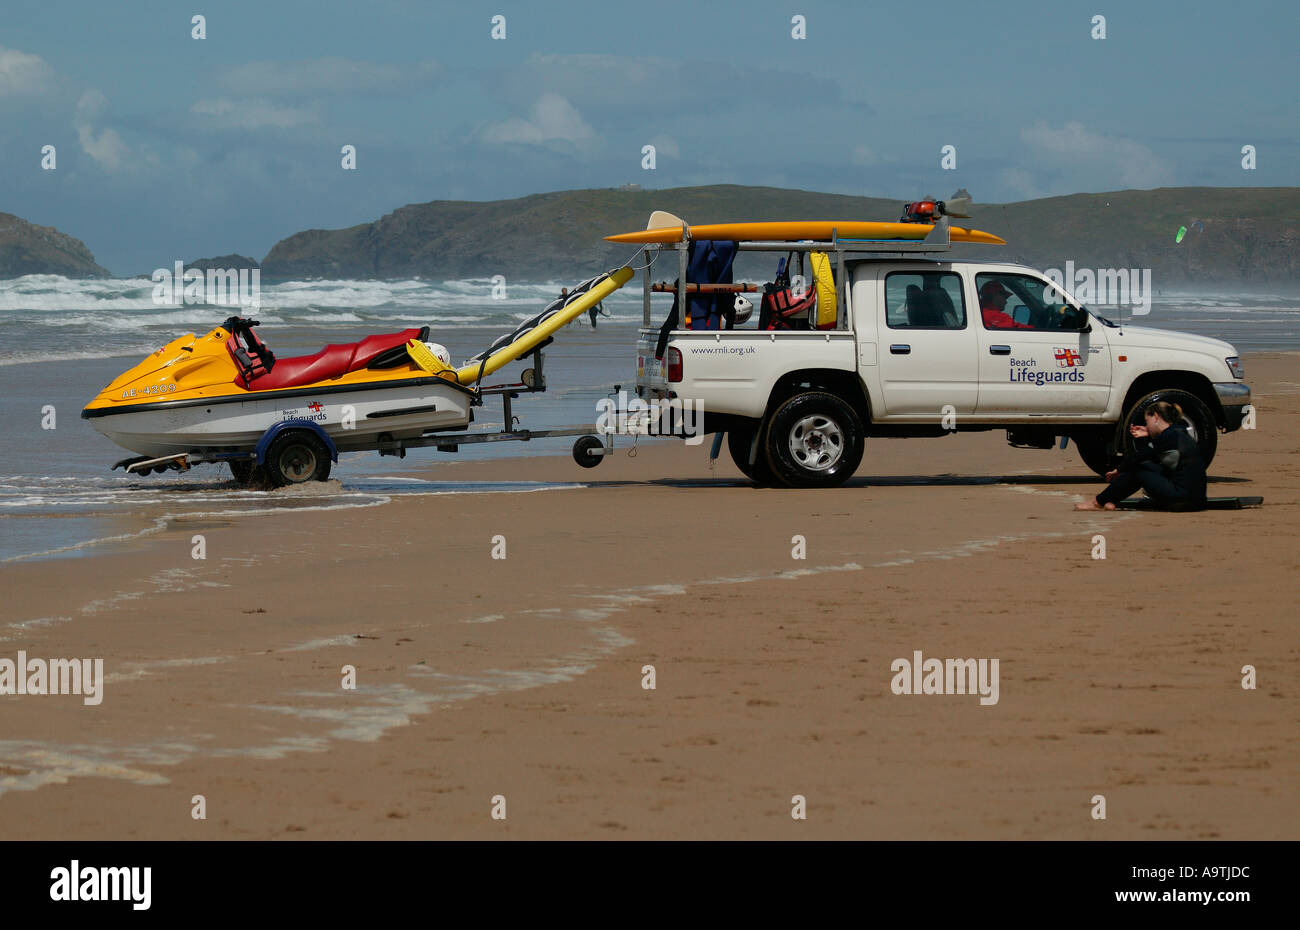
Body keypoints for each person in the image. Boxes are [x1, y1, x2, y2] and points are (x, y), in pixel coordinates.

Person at [1074, 401, 1207, 511]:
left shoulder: (1167, 437)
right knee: (1146, 466)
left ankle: (1098, 502)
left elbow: (1137, 457)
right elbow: (1154, 459)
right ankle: (1110, 500)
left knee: (1137, 469)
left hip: (1182, 499)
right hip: (1198, 501)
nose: (1146, 426)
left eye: (1146, 421)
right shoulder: (1179, 433)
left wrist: (1118, 470)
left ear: (1155, 417)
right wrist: (1149, 434)